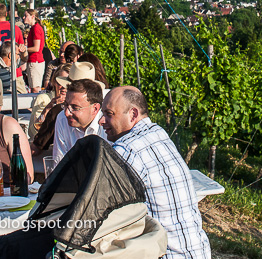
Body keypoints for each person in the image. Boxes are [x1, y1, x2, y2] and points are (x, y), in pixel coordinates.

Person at [100, 86, 211, 259]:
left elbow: (100, 207)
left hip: (166, 254)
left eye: (109, 114)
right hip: (197, 251)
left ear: (133, 114)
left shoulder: (126, 149)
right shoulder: (157, 133)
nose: (101, 120)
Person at [52, 77, 106, 163]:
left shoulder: (108, 124)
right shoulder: (62, 118)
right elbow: (59, 163)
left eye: (75, 107)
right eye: (65, 105)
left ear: (95, 109)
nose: (67, 113)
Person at [29, 64, 70, 140]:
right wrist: (48, 108)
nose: (64, 87)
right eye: (60, 82)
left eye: (68, 83)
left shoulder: (75, 103)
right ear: (54, 82)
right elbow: (32, 132)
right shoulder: (43, 99)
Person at [23, 9, 46, 92]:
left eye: (26, 16)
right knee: (34, 86)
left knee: (35, 88)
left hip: (35, 61)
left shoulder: (36, 29)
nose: (24, 17)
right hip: (35, 60)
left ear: (32, 17)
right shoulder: (35, 28)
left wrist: (24, 49)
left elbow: (36, 48)